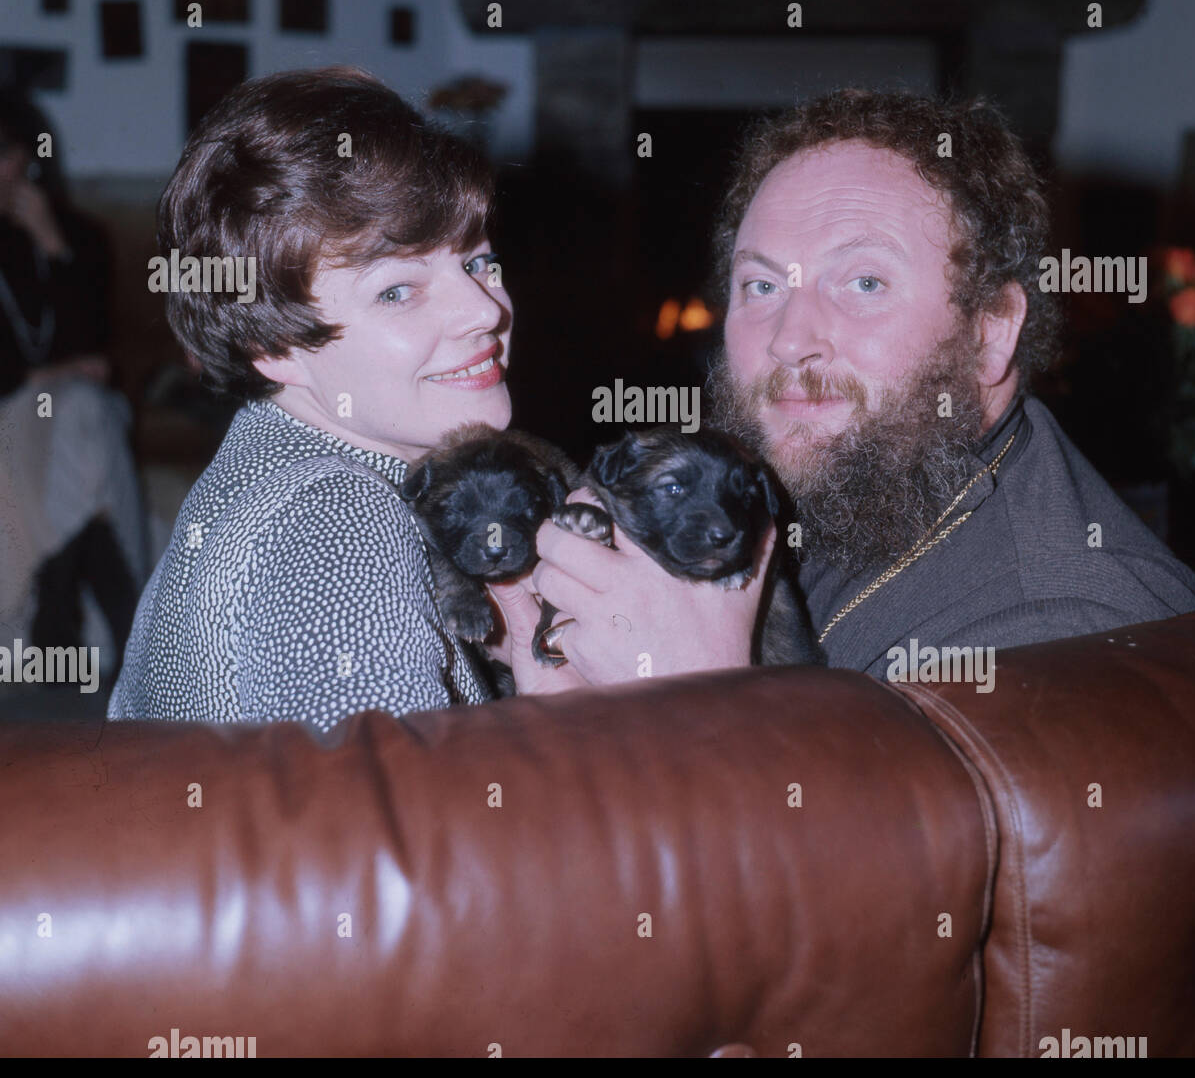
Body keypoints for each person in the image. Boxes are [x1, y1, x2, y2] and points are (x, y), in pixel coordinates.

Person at [105, 66, 764, 729]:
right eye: (397, 290)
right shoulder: (336, 515)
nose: (483, 310)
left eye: (478, 262)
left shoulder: (253, 474)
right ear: (272, 347)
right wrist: (673, 701)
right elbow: (380, 828)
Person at [533, 89, 1195, 682]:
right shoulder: (839, 491)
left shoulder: (1069, 631)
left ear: (992, 329)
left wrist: (698, 697)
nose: (791, 338)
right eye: (762, 285)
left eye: (864, 282)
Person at [0, 91, 144, 683]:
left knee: (86, 409)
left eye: (1, 153)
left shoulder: (82, 238)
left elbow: (97, 351)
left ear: (30, 159)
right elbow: (68, 364)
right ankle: (121, 602)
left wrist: (52, 246)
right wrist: (45, 375)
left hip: (67, 416)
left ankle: (53, 602)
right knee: (85, 410)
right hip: (9, 411)